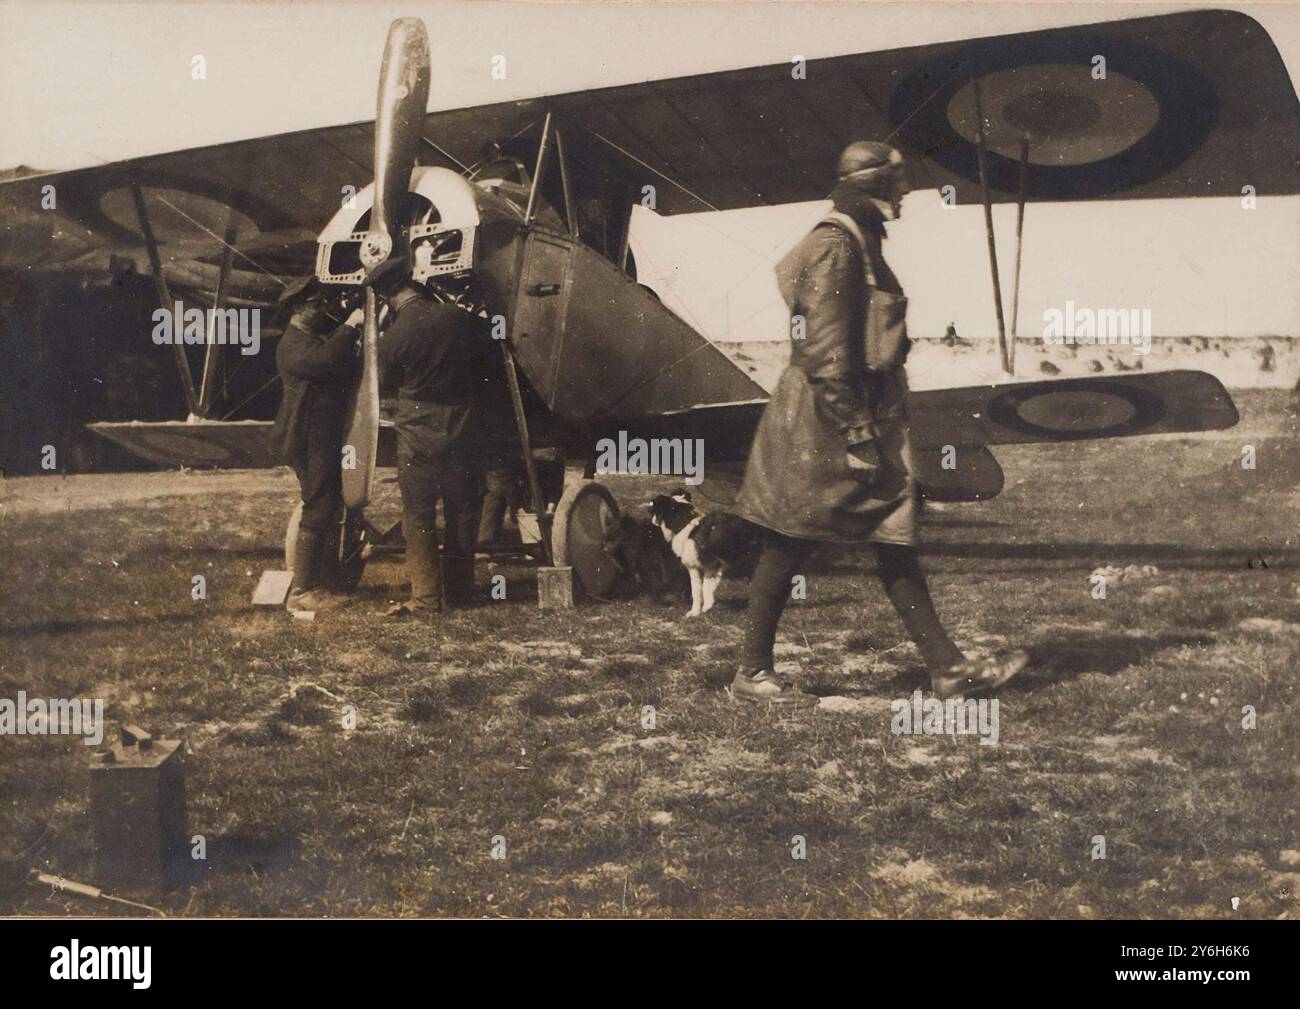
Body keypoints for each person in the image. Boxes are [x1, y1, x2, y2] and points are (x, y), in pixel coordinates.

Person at [730, 140, 1028, 703]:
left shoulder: (859, 240)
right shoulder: (836, 246)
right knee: (789, 538)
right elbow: (824, 352)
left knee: (894, 529)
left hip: (859, 412)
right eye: (898, 181)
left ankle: (946, 669)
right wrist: (857, 430)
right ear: (875, 185)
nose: (906, 191)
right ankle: (752, 673)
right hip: (826, 420)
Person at [377, 275, 490, 617]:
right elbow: (489, 359)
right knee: (464, 509)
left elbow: (385, 382)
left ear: (391, 298)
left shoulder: (393, 337)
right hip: (461, 425)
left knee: (419, 514)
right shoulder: (459, 318)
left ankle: (427, 598)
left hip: (417, 432)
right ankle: (460, 590)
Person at [270, 281, 363, 612]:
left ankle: (318, 580)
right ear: (298, 308)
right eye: (317, 303)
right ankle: (303, 590)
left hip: (317, 434)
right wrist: (351, 326)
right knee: (319, 504)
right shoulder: (293, 345)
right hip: (308, 435)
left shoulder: (306, 339)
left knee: (324, 504)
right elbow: (324, 362)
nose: (324, 308)